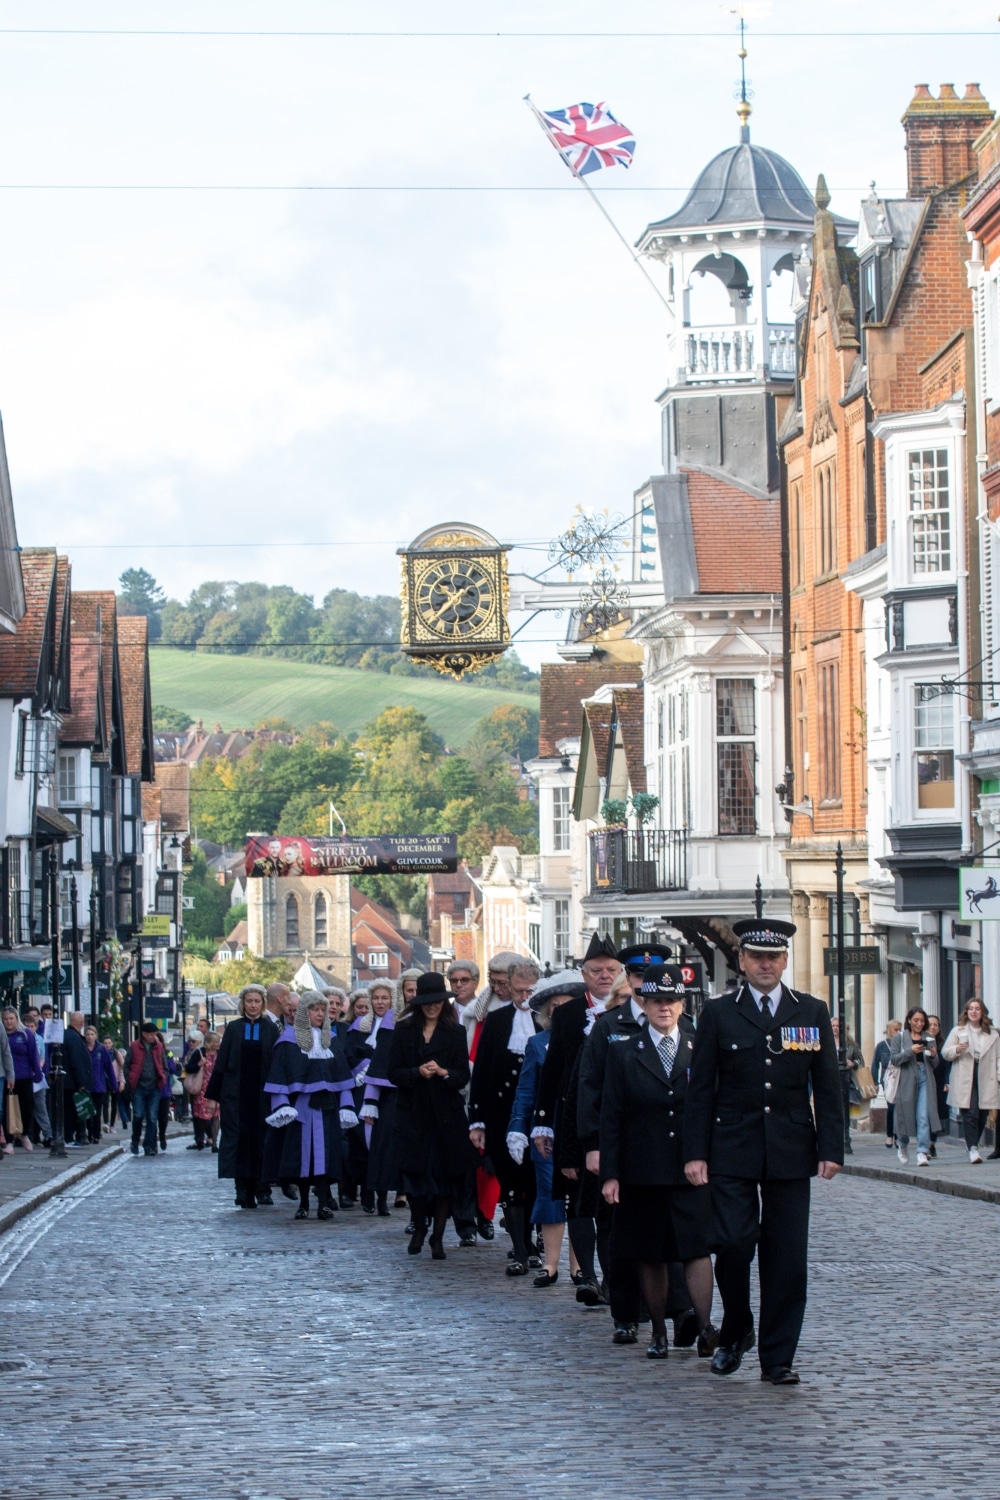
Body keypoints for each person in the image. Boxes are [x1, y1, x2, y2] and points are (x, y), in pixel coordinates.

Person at [684, 916, 843, 1386]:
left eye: (773, 958)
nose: (765, 965)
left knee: (787, 1258)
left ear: (785, 961)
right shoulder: (718, 1012)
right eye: (757, 957)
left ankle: (778, 1358)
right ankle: (736, 1330)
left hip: (791, 1148)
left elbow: (827, 1086)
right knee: (733, 1244)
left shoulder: (809, 1011)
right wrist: (695, 1152)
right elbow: (701, 1090)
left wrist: (831, 1146)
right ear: (742, 961)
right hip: (731, 1144)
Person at [575, 942, 697, 1347]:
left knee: (677, 1238)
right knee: (624, 1237)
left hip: (675, 1154)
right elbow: (593, 1090)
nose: (651, 987)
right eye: (643, 978)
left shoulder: (689, 1028)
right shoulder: (609, 1026)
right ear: (632, 980)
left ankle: (681, 1313)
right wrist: (594, 1145)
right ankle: (626, 1313)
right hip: (628, 1152)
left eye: (660, 978)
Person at [601, 967, 717, 1360]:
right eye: (656, 1001)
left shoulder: (699, 1047)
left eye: (671, 1001)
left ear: (682, 1005)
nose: (664, 1008)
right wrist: (611, 1174)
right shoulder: (623, 1051)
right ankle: (657, 1331)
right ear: (643, 1004)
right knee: (650, 1252)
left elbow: (711, 1107)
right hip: (642, 1167)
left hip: (690, 1167)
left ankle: (705, 1328)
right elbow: (611, 1115)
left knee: (696, 1249)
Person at [532, 931, 622, 1308]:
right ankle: (586, 1274)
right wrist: (541, 1121)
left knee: (612, 1205)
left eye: (611, 970)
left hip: (616, 1120)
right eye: (596, 970)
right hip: (573, 1119)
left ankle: (613, 1276)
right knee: (578, 1201)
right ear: (584, 974)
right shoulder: (568, 1014)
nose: (604, 976)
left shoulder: (630, 1010)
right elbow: (551, 1072)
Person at [387, 972, 477, 1259]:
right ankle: (419, 1227)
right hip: (413, 1115)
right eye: (426, 1002)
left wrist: (443, 1072)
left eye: (437, 1001)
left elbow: (462, 1074)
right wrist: (417, 1072)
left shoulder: (455, 1031)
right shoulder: (404, 1031)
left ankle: (437, 1237)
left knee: (444, 1180)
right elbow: (393, 1072)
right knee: (414, 1177)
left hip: (446, 1117)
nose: (432, 1007)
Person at [506, 971, 585, 1287]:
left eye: (565, 1004)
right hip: (547, 1130)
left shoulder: (588, 1039)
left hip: (579, 1128)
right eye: (554, 1005)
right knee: (550, 1194)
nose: (559, 1010)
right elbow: (527, 1090)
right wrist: (518, 1127)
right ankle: (550, 1264)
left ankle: (580, 1268)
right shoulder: (537, 1043)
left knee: (579, 1200)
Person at [468, 958, 541, 1275]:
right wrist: (477, 1120)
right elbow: (481, 1072)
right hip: (501, 1114)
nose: (525, 997)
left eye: (530, 990)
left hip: (538, 1114)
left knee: (536, 1182)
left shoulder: (547, 1019)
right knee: (511, 1182)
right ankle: (521, 1251)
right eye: (519, 990)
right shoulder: (497, 1020)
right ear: (508, 988)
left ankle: (536, 1244)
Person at [263, 991, 358, 1220]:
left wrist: (346, 1105)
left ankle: (324, 1203)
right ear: (305, 1012)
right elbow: (279, 1076)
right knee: (303, 1157)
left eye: (322, 1010)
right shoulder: (288, 1040)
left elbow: (342, 1078)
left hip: (328, 1106)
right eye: (315, 1009)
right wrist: (283, 1106)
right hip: (302, 1109)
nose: (320, 1014)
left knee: (327, 1157)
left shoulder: (331, 1041)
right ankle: (304, 1203)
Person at [204, 983, 280, 1207]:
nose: (253, 1005)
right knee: (238, 1141)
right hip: (236, 1096)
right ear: (243, 1003)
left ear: (263, 1003)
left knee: (261, 1141)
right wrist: (212, 1097)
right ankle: (242, 1189)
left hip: (262, 1095)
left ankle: (262, 1187)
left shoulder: (270, 1029)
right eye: (249, 1001)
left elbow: (276, 1063)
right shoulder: (234, 1029)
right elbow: (221, 1064)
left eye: (257, 1001)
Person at [349, 979, 402, 1216]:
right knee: (362, 1144)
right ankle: (366, 1194)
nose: (380, 1002)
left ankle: (381, 1197)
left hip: (387, 1089)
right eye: (376, 998)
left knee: (382, 1145)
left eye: (384, 998)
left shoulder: (396, 1024)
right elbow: (348, 1054)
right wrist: (364, 1068)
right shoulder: (360, 1024)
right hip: (361, 1089)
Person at [942, 1000, 1000, 1164]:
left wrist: (999, 1075)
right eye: (971, 1009)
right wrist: (957, 1049)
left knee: (983, 1113)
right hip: (966, 1073)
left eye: (977, 1009)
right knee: (970, 1111)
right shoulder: (958, 1031)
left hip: (986, 1074)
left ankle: (972, 1143)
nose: (974, 1012)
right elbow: (945, 1053)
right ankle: (973, 1148)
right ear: (966, 1012)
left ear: (983, 1012)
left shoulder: (993, 1033)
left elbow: (998, 1057)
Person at [889, 1007, 939, 1168]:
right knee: (905, 1115)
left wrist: (932, 1055)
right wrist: (910, 1051)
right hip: (906, 1078)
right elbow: (895, 1059)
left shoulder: (929, 1037)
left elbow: (935, 1063)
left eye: (922, 1021)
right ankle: (902, 1144)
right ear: (909, 1020)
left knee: (923, 1116)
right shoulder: (900, 1037)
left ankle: (922, 1151)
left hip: (925, 1076)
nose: (919, 1023)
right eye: (916, 1020)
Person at [1, 1007, 41, 1150]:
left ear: (16, 1019)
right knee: (7, 1109)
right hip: (6, 1077)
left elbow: (33, 1055)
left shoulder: (25, 1034)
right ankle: (9, 1141)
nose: (8, 1022)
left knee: (27, 1108)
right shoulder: (3, 1034)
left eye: (11, 1018)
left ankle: (24, 1135)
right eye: (5, 1019)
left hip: (24, 1076)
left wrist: (38, 1073)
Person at [126, 1021, 167, 1157]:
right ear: (144, 1034)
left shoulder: (159, 1047)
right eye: (150, 1034)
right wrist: (130, 1078)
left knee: (152, 1117)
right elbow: (127, 1065)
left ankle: (148, 1145)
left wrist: (163, 1077)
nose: (153, 1036)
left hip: (154, 1087)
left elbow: (164, 1065)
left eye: (154, 1034)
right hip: (138, 1086)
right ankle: (135, 1141)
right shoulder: (134, 1046)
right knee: (137, 1115)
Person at [62, 1011, 94, 1147]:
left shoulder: (66, 1035)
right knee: (71, 1112)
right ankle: (69, 1137)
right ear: (81, 1023)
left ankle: (70, 1136)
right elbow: (77, 1062)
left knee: (69, 1110)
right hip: (71, 1082)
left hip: (66, 1081)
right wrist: (81, 1082)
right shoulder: (74, 1038)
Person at [872, 1020, 902, 1148]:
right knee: (891, 1107)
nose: (898, 1032)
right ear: (889, 1030)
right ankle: (890, 1135)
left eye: (900, 1029)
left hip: (901, 1078)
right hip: (888, 1080)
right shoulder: (882, 1046)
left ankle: (898, 1136)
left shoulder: (903, 1044)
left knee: (900, 1108)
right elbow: (875, 1064)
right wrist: (875, 1082)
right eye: (896, 1029)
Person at [188, 1031, 220, 1150]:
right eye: (216, 1042)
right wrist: (198, 1064)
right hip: (202, 1087)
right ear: (210, 1042)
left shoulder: (220, 1053)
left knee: (215, 1115)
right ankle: (200, 1138)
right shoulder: (200, 1053)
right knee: (202, 1116)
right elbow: (188, 1068)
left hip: (216, 1087)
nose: (218, 1044)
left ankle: (215, 1142)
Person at [84, 1025, 116, 1144]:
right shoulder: (83, 1047)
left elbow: (109, 1068)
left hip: (98, 1085)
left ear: (96, 1036)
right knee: (87, 1113)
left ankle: (96, 1135)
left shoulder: (101, 1049)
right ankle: (89, 1133)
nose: (90, 1037)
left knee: (96, 1112)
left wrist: (113, 1085)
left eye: (92, 1034)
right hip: (86, 1086)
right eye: (87, 1034)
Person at [925, 1014, 951, 1156]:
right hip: (924, 1081)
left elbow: (948, 1066)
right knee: (926, 1114)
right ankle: (927, 1145)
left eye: (936, 1024)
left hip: (939, 1082)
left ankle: (932, 1143)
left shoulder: (943, 1044)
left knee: (936, 1115)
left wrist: (948, 1081)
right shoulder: (921, 1042)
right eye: (930, 1024)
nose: (933, 1027)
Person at [23, 1016, 51, 1145]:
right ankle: (25, 1135)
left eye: (32, 1026)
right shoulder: (21, 1038)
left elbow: (42, 1058)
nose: (29, 1029)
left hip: (37, 1078)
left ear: (36, 1027)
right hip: (24, 1077)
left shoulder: (39, 1039)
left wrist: (37, 1069)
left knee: (41, 1107)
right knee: (25, 1107)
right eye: (27, 1026)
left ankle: (47, 1134)